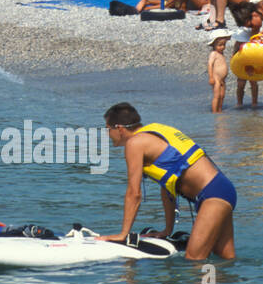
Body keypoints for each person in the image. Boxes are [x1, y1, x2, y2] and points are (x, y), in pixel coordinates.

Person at [100, 104, 236, 262]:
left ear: (119, 128)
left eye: (107, 129)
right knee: (225, 260)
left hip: (213, 196)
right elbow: (167, 188)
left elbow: (134, 193)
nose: (107, 134)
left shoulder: (134, 143)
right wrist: (168, 229)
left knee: (194, 259)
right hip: (222, 189)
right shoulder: (155, 131)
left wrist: (123, 234)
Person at [207, 30, 231, 113]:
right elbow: (210, 65)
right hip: (216, 79)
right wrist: (211, 77)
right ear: (213, 44)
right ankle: (214, 112)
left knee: (222, 96)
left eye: (224, 45)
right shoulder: (213, 54)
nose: (222, 47)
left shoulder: (221, 53)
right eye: (220, 45)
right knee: (216, 96)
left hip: (222, 80)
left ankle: (220, 110)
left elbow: (229, 37)